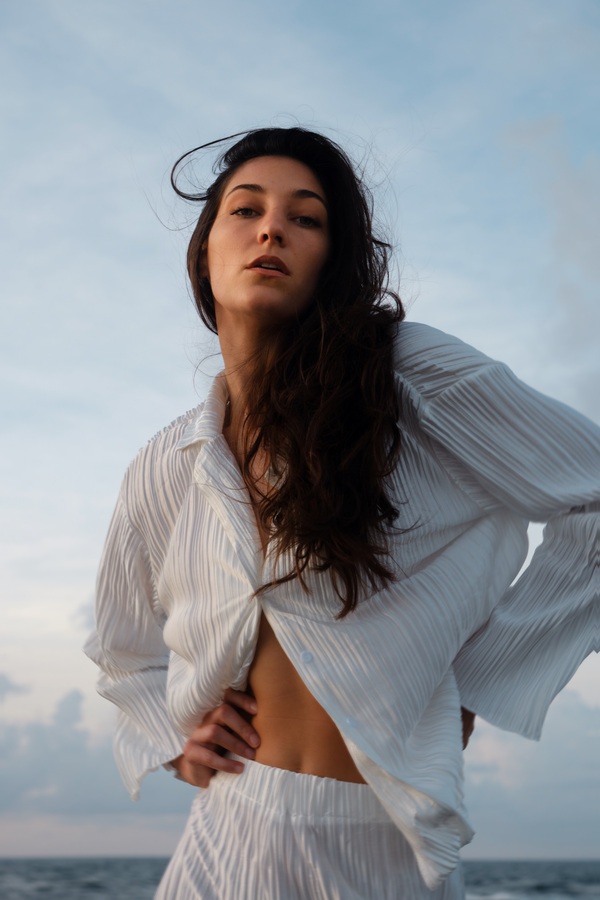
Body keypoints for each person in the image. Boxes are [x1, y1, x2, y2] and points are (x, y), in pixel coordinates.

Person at [84, 127, 599, 899]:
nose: (271, 228)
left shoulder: (411, 380)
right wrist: (176, 747)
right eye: (245, 209)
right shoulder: (168, 464)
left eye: (306, 217)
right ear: (203, 251)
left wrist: (486, 679)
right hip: (225, 840)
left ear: (331, 259)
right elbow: (123, 650)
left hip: (382, 845)